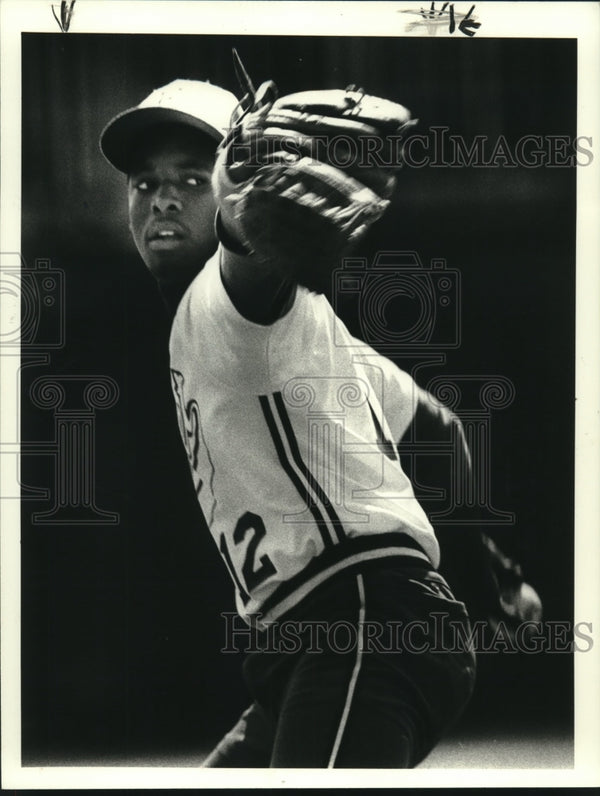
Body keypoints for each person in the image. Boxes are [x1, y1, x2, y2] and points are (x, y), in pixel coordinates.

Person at [100, 77, 532, 768]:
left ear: (239, 183)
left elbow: (245, 253)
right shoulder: (308, 333)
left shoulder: (234, 291)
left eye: (191, 176)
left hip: (362, 618)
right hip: (315, 644)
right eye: (145, 183)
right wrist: (495, 589)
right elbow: (439, 431)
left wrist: (243, 218)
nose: (165, 197)